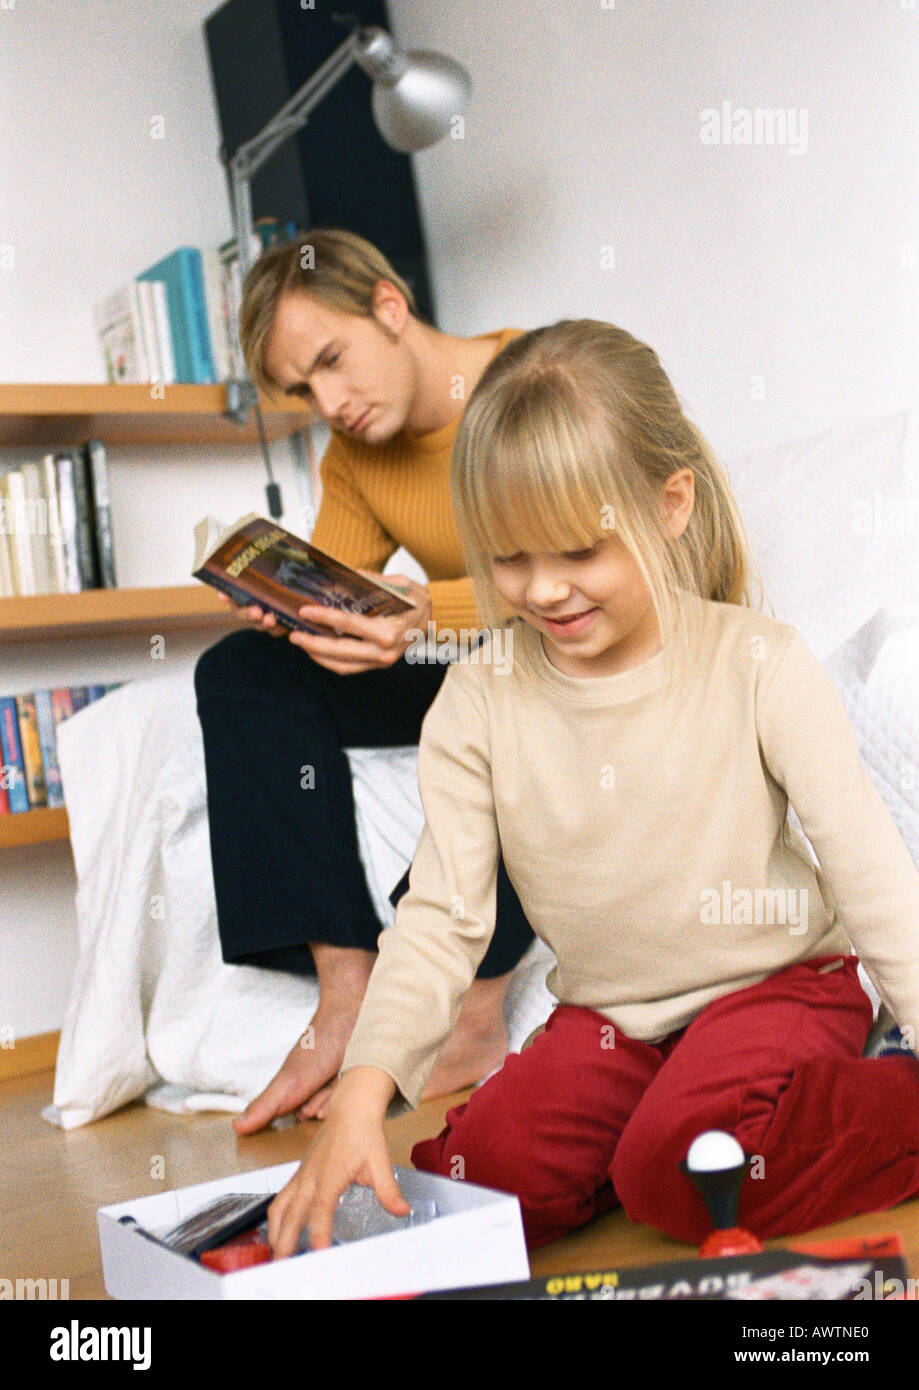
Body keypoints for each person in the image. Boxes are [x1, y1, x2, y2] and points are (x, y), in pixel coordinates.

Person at [266, 318, 919, 1258]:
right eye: (508, 557)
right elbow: (442, 918)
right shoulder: (477, 700)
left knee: (685, 1174)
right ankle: (650, 1133)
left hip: (777, 988)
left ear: (670, 505)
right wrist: (361, 1097)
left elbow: (868, 872)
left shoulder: (758, 663)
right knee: (477, 1188)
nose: (542, 592)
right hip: (609, 1017)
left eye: (578, 553)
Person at [193, 229, 534, 1130]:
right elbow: (345, 583)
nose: (330, 402)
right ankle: (348, 986)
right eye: (305, 388)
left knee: (512, 686)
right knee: (240, 672)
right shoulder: (355, 456)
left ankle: (476, 1005)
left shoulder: (534, 385)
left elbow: (585, 575)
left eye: (334, 362)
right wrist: (292, 608)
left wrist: (435, 616)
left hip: (555, 644)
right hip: (450, 652)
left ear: (390, 306)